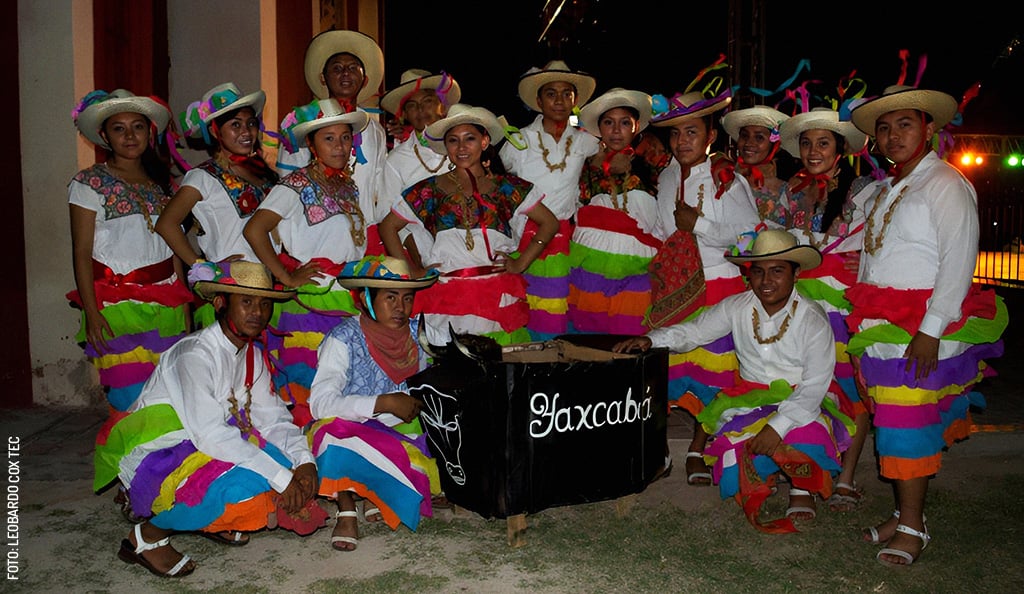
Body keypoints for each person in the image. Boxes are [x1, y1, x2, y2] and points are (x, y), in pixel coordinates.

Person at [847, 85, 1007, 566]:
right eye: (884, 127)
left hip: (919, 328)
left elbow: (959, 262)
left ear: (929, 128)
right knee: (891, 422)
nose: (893, 136)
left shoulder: (946, 183)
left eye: (905, 124)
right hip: (883, 326)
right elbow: (872, 260)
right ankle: (902, 513)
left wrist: (930, 331)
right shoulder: (888, 187)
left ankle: (913, 527)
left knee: (907, 428)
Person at [613, 229, 852, 531]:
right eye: (759, 272)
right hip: (751, 398)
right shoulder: (737, 306)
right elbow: (695, 331)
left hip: (803, 398)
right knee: (734, 466)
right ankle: (772, 472)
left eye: (777, 271)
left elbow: (815, 385)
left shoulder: (812, 318)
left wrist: (777, 426)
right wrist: (652, 340)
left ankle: (801, 488)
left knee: (807, 434)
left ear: (796, 274)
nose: (766, 281)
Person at [93, 260, 320, 578]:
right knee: (247, 490)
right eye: (246, 301)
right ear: (220, 303)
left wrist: (304, 461)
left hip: (210, 442)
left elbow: (272, 419)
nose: (257, 312)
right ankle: (147, 537)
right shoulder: (194, 355)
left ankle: (208, 517)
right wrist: (283, 478)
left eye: (264, 303)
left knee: (282, 465)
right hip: (162, 451)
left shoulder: (251, 354)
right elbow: (210, 434)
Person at [647, 89, 761, 485]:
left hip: (719, 285)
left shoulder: (726, 178)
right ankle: (658, 448)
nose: (682, 141)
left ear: (710, 135)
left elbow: (750, 238)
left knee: (713, 374)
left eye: (692, 132)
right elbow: (661, 230)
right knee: (669, 366)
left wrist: (699, 225)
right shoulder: (665, 176)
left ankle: (698, 448)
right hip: (675, 288)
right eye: (675, 133)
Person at [67, 89, 193, 439]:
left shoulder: (163, 185)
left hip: (165, 300)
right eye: (119, 128)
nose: (129, 136)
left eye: (137, 126)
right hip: (117, 303)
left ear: (149, 132)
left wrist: (184, 304)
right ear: (104, 136)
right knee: (129, 395)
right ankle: (128, 462)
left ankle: (161, 463)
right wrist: (92, 311)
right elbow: (81, 251)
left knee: (167, 391)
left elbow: (172, 247)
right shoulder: (88, 183)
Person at [377, 103, 559, 346]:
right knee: (449, 358)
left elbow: (549, 223)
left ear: (484, 142)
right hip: (446, 295)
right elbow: (388, 227)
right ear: (446, 147)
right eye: (453, 140)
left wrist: (521, 263)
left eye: (469, 138)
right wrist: (411, 272)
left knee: (495, 358)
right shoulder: (429, 189)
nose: (461, 147)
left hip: (495, 294)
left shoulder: (507, 187)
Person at [243, 98, 370, 426]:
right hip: (313, 301)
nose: (339, 146)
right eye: (329, 138)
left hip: (345, 295)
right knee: (310, 385)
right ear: (312, 145)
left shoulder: (348, 185)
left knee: (340, 383)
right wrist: (286, 276)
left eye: (345, 137)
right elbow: (255, 229)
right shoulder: (295, 184)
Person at [776, 106, 874, 511]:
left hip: (843, 302)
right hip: (799, 300)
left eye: (822, 143)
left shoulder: (864, 188)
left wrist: (861, 263)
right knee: (802, 383)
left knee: (850, 388)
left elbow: (879, 240)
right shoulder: (791, 190)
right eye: (807, 143)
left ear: (841, 148)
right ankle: (803, 480)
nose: (813, 151)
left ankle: (846, 477)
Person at [307, 255, 441, 551]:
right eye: (390, 297)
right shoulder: (343, 338)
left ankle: (373, 492)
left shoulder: (419, 333)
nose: (400, 307)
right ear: (365, 299)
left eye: (407, 298)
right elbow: (320, 403)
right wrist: (382, 403)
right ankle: (347, 507)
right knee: (329, 434)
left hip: (401, 432)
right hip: (353, 433)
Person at [155, 82, 279, 328]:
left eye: (250, 123)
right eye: (235, 125)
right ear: (215, 131)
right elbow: (166, 224)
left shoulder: (266, 176)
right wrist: (203, 267)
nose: (246, 131)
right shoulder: (203, 176)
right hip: (230, 288)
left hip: (267, 287)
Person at [500, 60, 600, 339]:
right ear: (538, 101)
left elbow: (610, 159)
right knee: (520, 309)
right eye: (551, 94)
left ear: (575, 101)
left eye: (567, 94)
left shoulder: (586, 141)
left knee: (555, 313)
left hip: (564, 240)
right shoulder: (519, 141)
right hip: (521, 237)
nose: (559, 100)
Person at [568, 87, 662, 335]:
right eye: (609, 122)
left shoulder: (655, 163)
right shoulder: (584, 167)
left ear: (636, 126)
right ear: (599, 128)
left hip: (637, 272)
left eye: (624, 122)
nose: (616, 130)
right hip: (590, 273)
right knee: (592, 341)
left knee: (629, 340)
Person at [276, 29, 389, 225]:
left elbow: (379, 186)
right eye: (337, 68)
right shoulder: (301, 121)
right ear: (323, 78)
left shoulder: (374, 128)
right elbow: (287, 180)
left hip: (363, 231)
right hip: (315, 231)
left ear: (365, 80)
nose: (345, 73)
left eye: (353, 68)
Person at [378, 68, 461, 263]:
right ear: (405, 114)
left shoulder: (463, 149)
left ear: (442, 105)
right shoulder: (396, 160)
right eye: (412, 105)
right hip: (425, 260)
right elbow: (385, 214)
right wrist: (414, 260)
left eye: (427, 101)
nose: (421, 109)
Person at [719, 105, 797, 221]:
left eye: (759, 137)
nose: (749, 143)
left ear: (775, 145)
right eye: (744, 135)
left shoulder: (789, 187)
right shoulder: (723, 176)